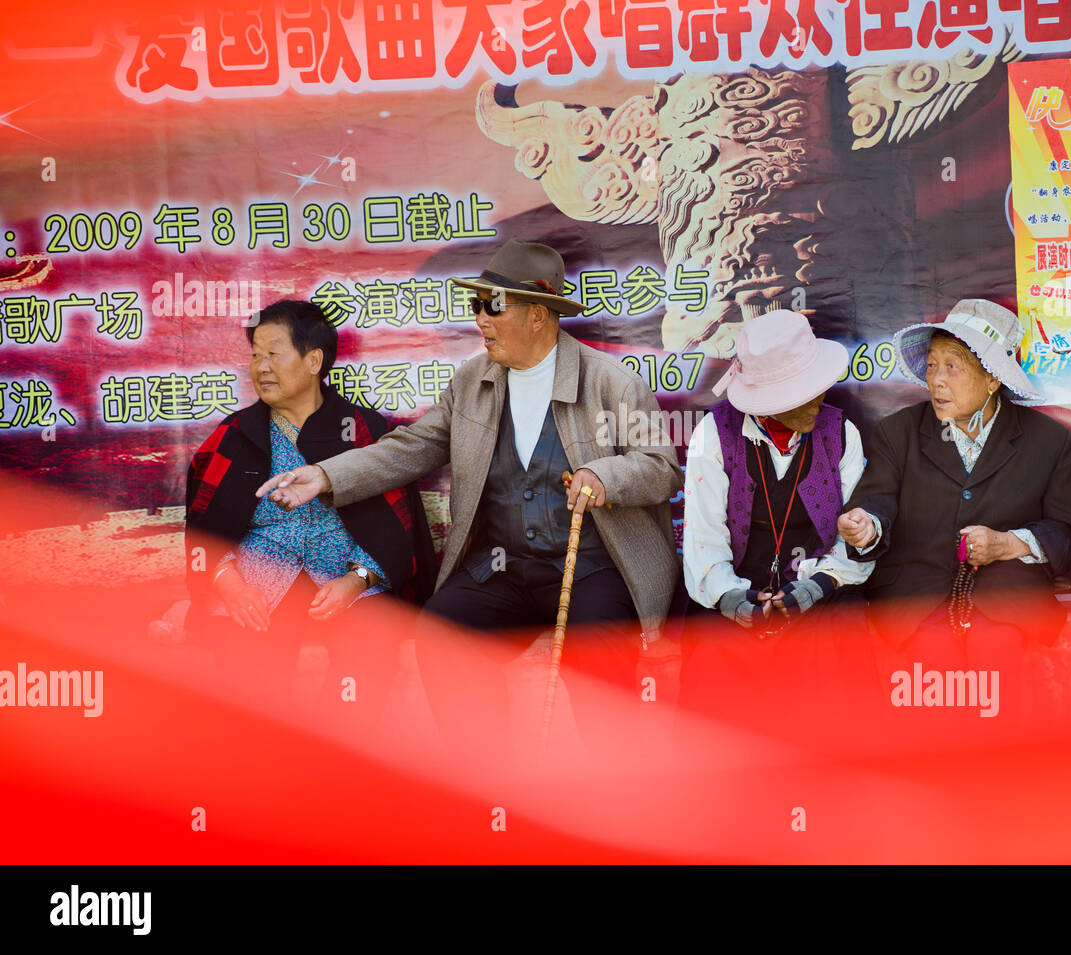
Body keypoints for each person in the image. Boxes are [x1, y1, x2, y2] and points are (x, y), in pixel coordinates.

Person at [254, 239, 683, 759]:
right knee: (441, 634)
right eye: (476, 304)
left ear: (539, 316)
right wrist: (325, 476)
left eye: (492, 305)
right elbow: (414, 446)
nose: (479, 317)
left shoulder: (611, 383)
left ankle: (609, 793)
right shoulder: (472, 381)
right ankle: (489, 776)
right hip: (503, 565)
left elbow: (660, 468)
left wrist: (604, 474)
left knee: (600, 658)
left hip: (591, 564)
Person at [185, 299, 436, 726]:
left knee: (369, 653)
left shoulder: (364, 431)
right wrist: (231, 587)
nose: (261, 366)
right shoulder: (233, 436)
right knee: (245, 667)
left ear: (314, 360)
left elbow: (399, 528)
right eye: (254, 355)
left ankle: (337, 765)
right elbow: (203, 531)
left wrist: (356, 581)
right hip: (258, 580)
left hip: (346, 577)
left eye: (274, 352)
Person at [838, 299, 1071, 721]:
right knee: (931, 676)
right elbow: (876, 501)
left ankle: (996, 773)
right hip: (915, 597)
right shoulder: (898, 433)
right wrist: (867, 525)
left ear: (992, 380)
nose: (936, 380)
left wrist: (1010, 544)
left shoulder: (1047, 442)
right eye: (932, 366)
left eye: (952, 367)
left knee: (997, 663)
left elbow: (1067, 530)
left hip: (1007, 598)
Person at [681, 309, 875, 734]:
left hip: (821, 585)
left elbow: (853, 539)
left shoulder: (842, 434)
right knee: (715, 668)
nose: (816, 399)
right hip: (736, 589)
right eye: (799, 393)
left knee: (840, 648)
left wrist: (815, 587)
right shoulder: (713, 435)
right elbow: (704, 542)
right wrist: (735, 600)